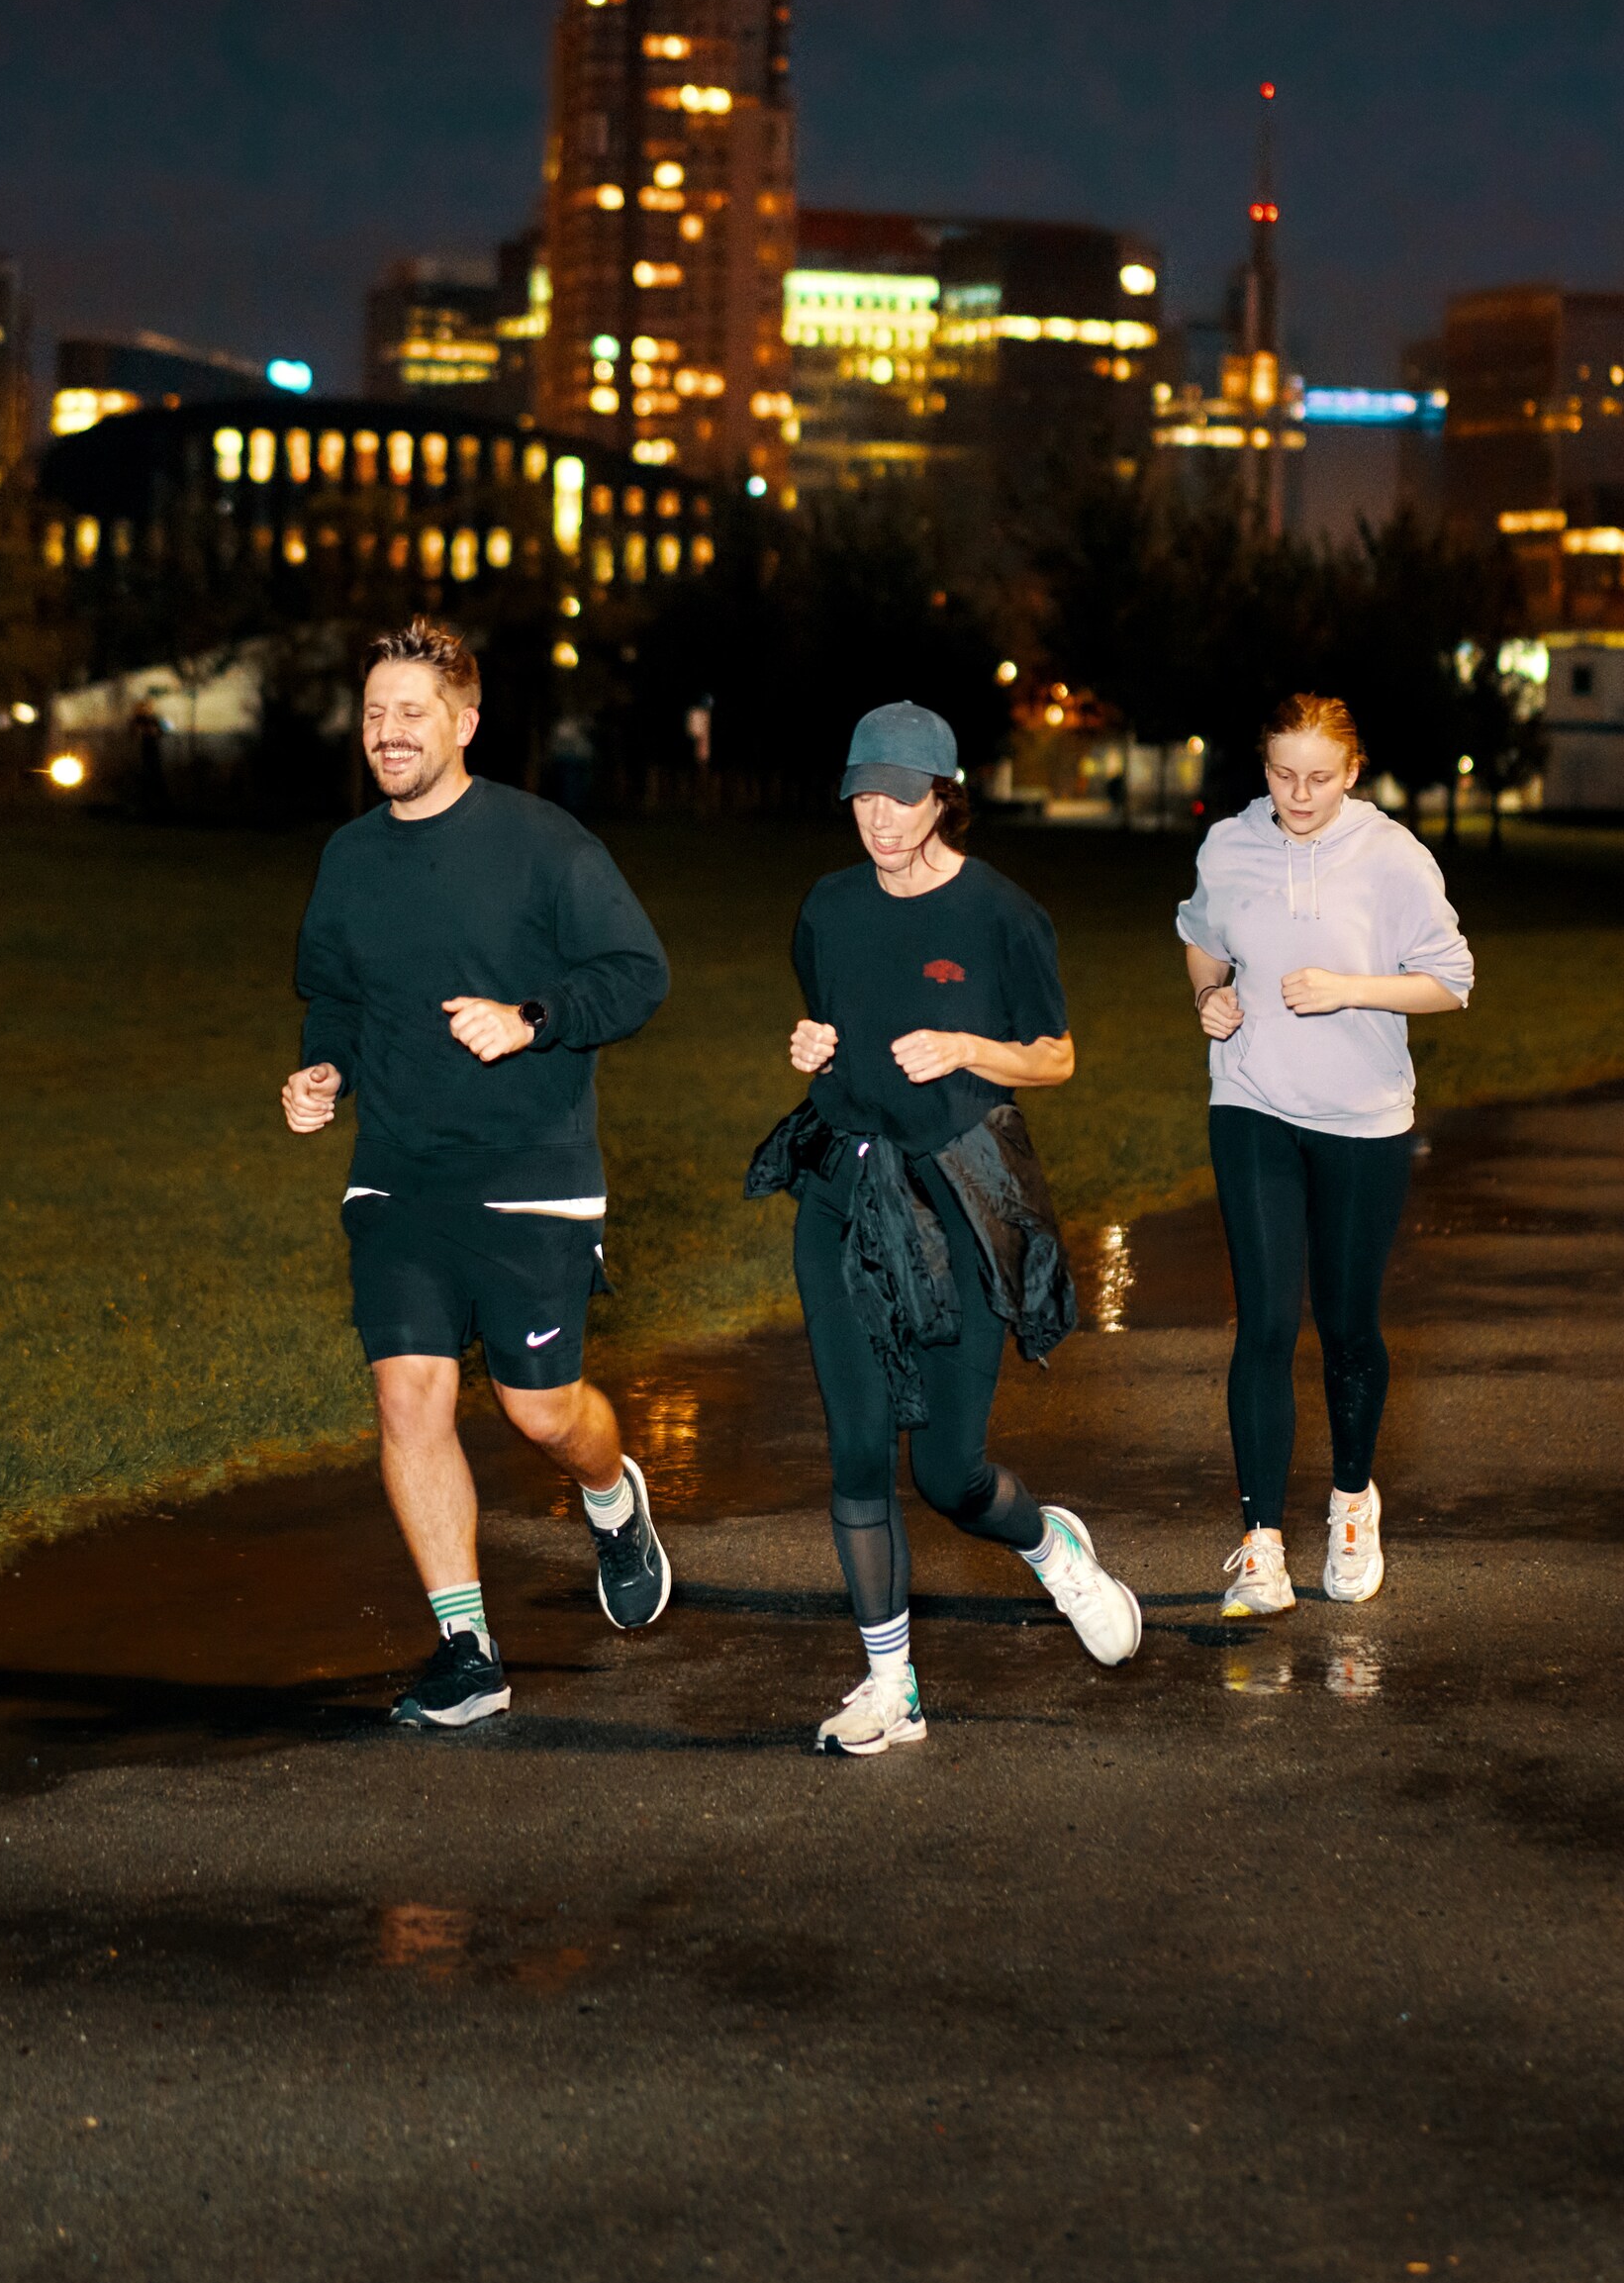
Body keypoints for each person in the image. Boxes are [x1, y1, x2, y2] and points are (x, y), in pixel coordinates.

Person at [283, 617, 673, 1729]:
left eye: (410, 713)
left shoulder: (544, 846)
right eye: (372, 713)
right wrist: (319, 1073)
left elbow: (636, 975)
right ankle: (468, 1647)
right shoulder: (350, 858)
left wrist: (532, 1018)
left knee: (540, 1413)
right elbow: (336, 997)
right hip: (400, 1171)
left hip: (531, 1172)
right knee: (407, 1397)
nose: (387, 733)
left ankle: (610, 1492)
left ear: (463, 722)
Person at [746, 699, 1141, 1756]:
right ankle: (890, 1687)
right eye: (862, 795)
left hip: (957, 1202)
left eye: (901, 797)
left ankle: (1051, 1546)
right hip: (842, 1190)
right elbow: (832, 1023)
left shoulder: (1001, 916)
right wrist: (813, 1042)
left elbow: (1054, 1057)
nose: (878, 818)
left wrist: (969, 1046)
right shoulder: (826, 907)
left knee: (948, 1473)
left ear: (943, 797)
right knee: (859, 1449)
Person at [1177, 693, 1474, 1619]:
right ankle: (1260, 1541)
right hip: (1252, 1102)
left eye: (1318, 777)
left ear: (1353, 770)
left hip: (1362, 1117)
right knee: (1265, 1321)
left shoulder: (1393, 858)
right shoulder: (1229, 845)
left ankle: (1352, 1504)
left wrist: (1352, 988)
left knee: (1347, 1324)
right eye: (1280, 774)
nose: (1297, 795)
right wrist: (1210, 1000)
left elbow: (1452, 980)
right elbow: (1200, 942)